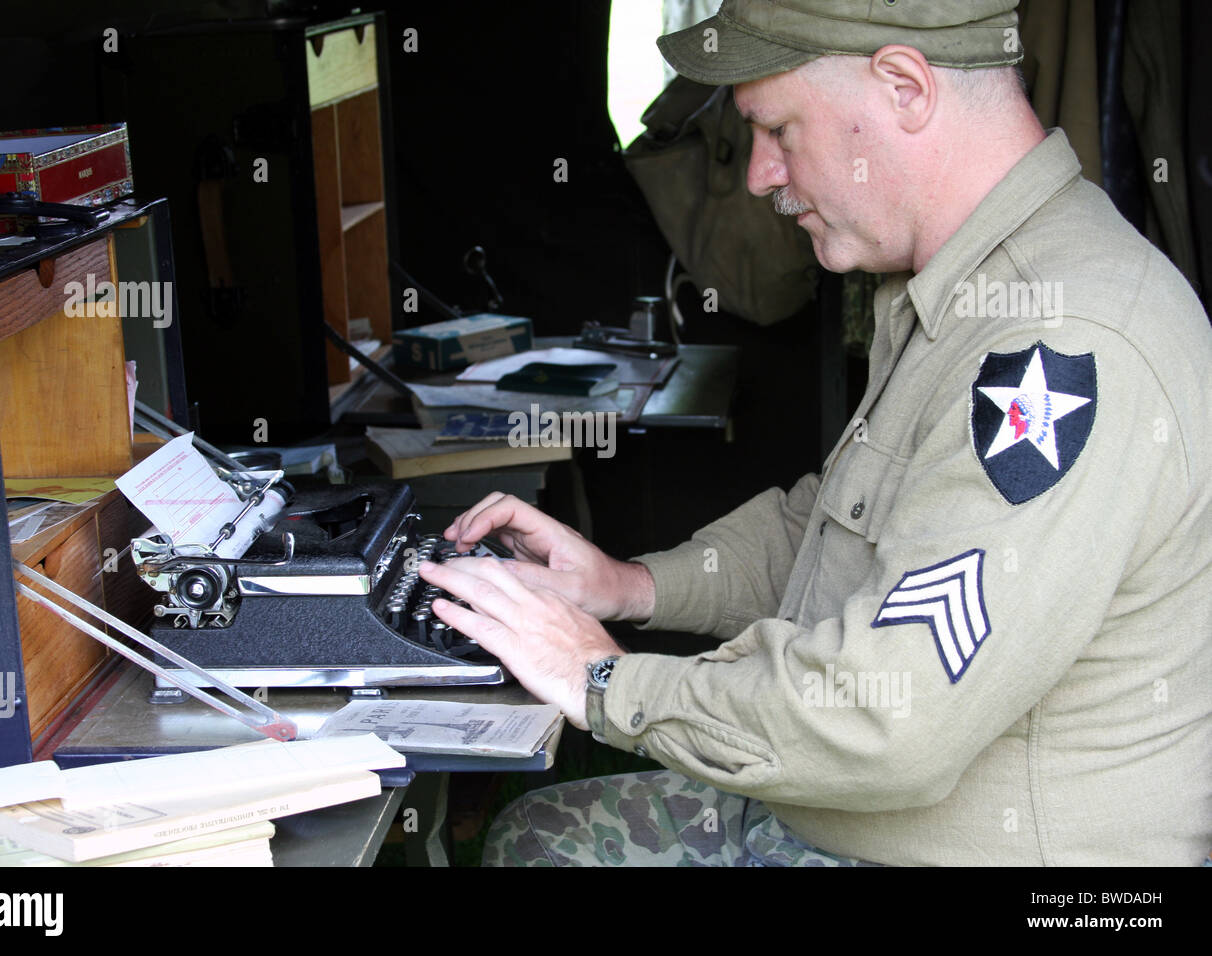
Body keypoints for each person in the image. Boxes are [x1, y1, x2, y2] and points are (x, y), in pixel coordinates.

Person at [417, 0, 1212, 866]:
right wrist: (627, 585)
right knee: (537, 837)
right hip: (849, 826)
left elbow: (887, 722)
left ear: (905, 89)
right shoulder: (968, 285)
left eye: (779, 129)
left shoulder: (1059, 346)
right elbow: (840, 530)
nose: (761, 175)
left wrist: (601, 678)